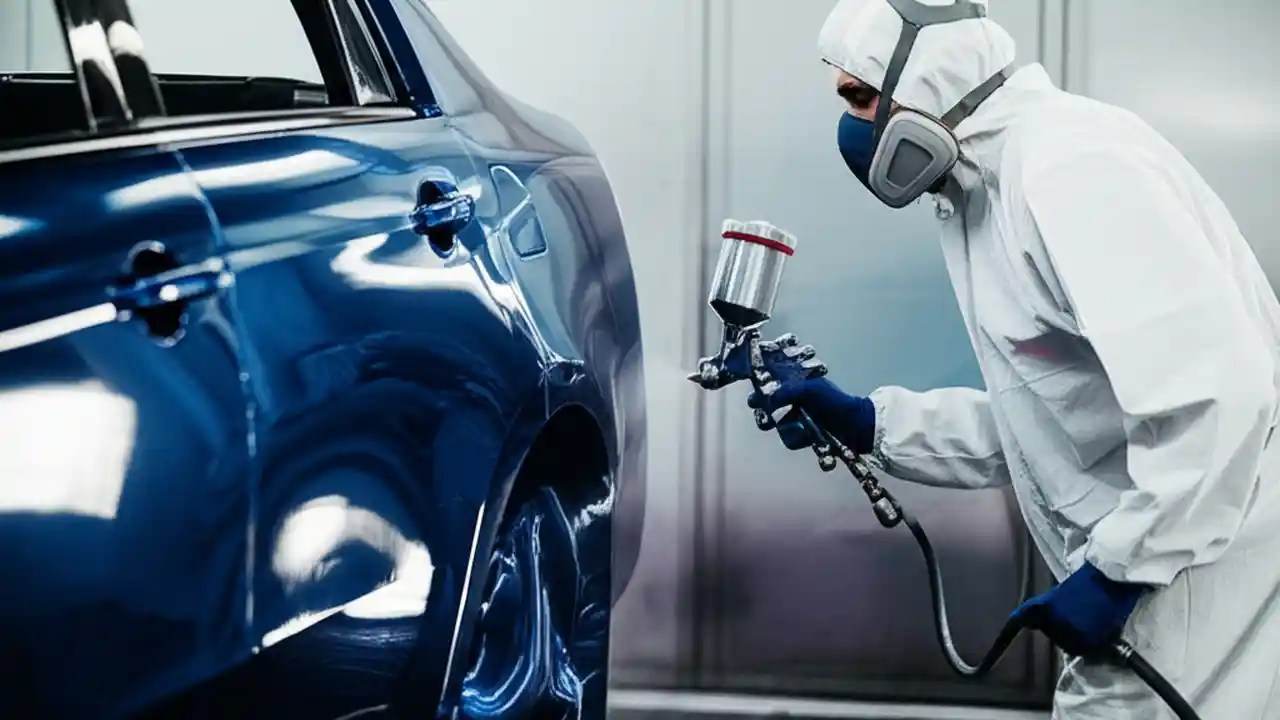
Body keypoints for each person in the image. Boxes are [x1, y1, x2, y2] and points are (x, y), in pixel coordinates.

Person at [750, 0, 1280, 716]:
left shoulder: (1069, 166)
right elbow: (1052, 422)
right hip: (1169, 562)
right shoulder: (984, 187)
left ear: (927, 82)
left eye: (858, 97)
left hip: (1195, 576)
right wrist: (868, 422)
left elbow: (1221, 395)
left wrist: (1120, 575)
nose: (852, 127)